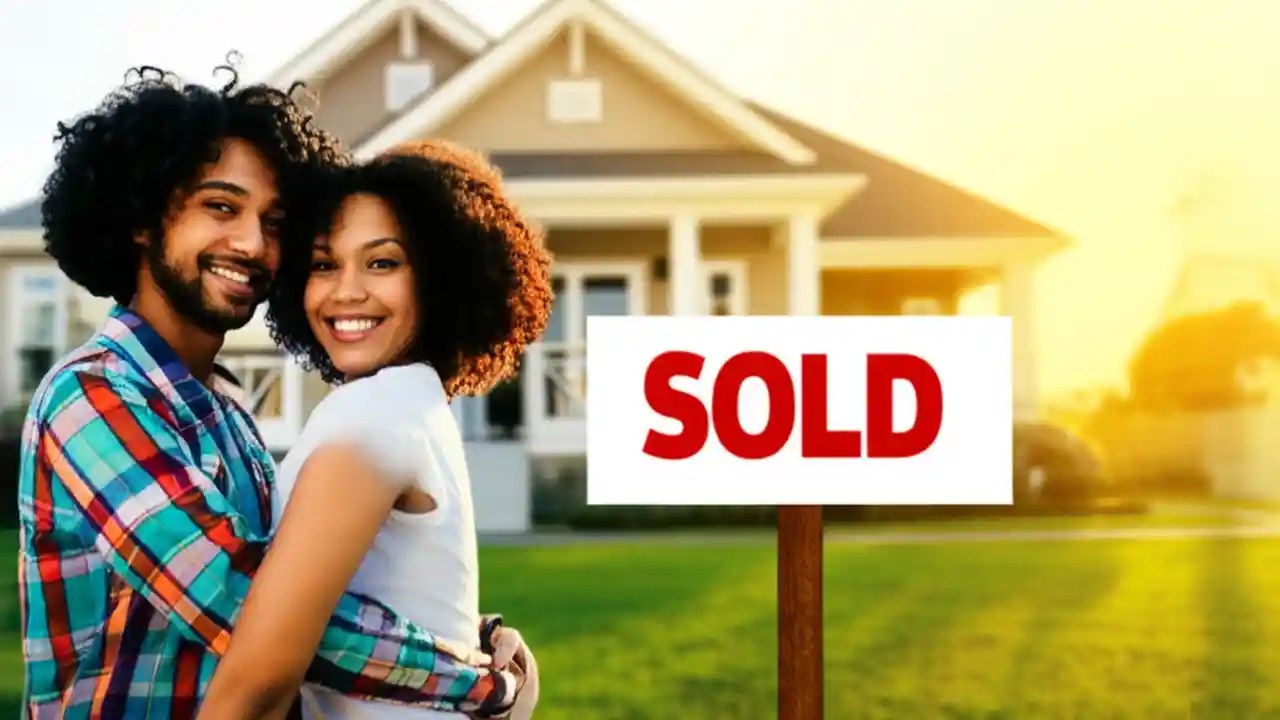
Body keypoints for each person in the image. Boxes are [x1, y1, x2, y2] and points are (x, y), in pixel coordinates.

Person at [17, 62, 524, 719]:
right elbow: (248, 610)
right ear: (142, 220)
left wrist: (472, 634)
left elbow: (301, 588)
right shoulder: (91, 397)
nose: (253, 243)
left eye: (276, 221)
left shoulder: (227, 411)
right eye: (221, 207)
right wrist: (476, 681)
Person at [199, 139, 554, 719]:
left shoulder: (371, 413)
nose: (347, 291)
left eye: (382, 262)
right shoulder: (418, 405)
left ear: (438, 280)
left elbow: (256, 686)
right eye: (323, 264)